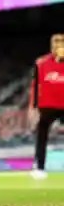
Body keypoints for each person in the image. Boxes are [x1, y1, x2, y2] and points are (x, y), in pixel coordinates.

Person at [28, 33, 64, 180]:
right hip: (48, 105)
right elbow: (35, 86)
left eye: (61, 43)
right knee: (41, 136)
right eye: (56, 43)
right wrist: (33, 107)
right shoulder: (41, 63)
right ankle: (40, 167)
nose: (59, 46)